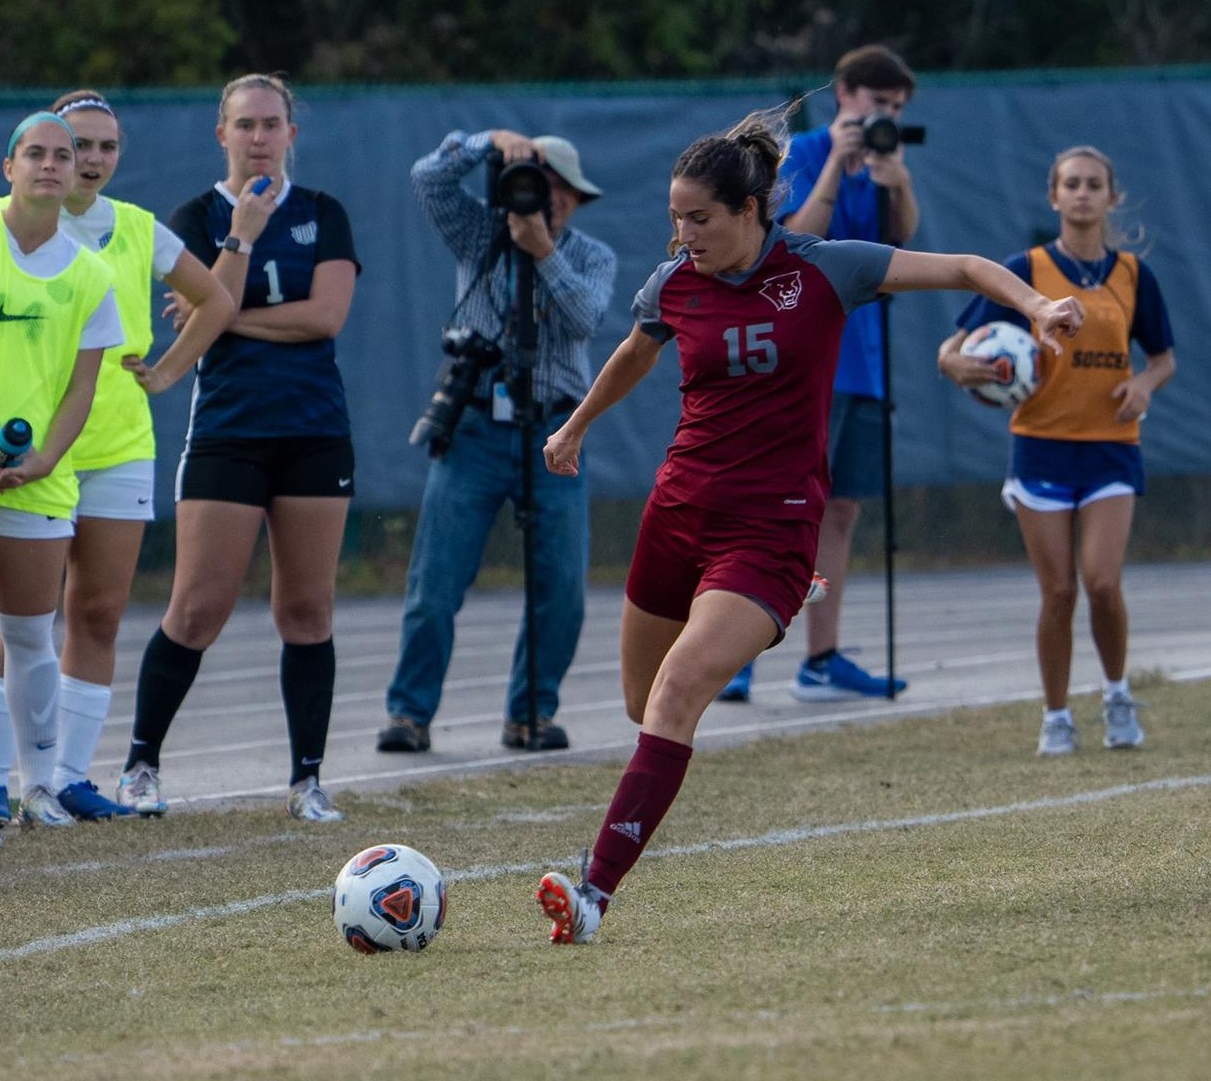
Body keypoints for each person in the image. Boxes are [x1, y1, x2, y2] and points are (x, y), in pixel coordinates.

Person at [531, 102, 1084, 944]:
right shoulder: (673, 281)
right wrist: (576, 426)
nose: (683, 234)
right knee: (649, 705)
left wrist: (1039, 308)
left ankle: (593, 893)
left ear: (750, 211)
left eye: (701, 218)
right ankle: (629, 829)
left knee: (677, 693)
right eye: (675, 216)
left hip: (770, 531)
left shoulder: (827, 270)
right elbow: (637, 351)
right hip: (676, 512)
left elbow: (970, 267)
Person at [0, 91, 233, 823]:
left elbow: (215, 301)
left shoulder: (139, 229)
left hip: (116, 447)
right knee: (23, 619)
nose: (89, 159)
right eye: (74, 144)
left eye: (105, 147)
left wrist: (168, 371)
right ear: (38, 151)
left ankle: (67, 776)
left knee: (100, 613)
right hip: (25, 455)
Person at [117, 74, 359, 823]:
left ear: (292, 132)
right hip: (228, 430)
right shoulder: (196, 216)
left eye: (272, 124)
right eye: (245, 125)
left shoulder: (324, 212)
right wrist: (242, 239)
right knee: (196, 607)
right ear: (221, 133)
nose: (259, 137)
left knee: (308, 609)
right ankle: (140, 765)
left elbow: (324, 317)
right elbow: (204, 312)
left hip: (314, 429)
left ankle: (307, 781)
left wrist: (226, 315)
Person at [376, 128, 616, 755]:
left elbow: (585, 319)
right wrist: (486, 144)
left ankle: (530, 716)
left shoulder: (592, 256)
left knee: (561, 588)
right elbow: (427, 177)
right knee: (436, 583)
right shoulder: (481, 234)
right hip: (476, 426)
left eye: (563, 189)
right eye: (539, 184)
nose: (550, 198)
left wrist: (544, 253)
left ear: (579, 200)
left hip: (557, 429)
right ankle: (409, 714)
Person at [937, 146, 1176, 756]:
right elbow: (949, 353)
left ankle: (1118, 696)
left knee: (1101, 582)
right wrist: (970, 370)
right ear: (1054, 196)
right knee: (1059, 592)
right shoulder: (1027, 269)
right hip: (1041, 449)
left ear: (1111, 197)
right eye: (1071, 184)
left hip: (1111, 451)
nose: (1083, 194)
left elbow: (1164, 358)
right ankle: (1056, 715)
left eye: (1095, 184)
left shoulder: (1132, 276)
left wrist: (1143, 385)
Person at [719, 44, 922, 704]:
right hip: (806, 360)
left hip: (863, 362)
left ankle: (822, 657)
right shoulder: (801, 154)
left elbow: (902, 246)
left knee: (840, 510)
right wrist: (839, 157)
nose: (882, 114)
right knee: (778, 502)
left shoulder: (887, 166)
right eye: (874, 101)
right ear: (844, 93)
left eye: (894, 106)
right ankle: (735, 651)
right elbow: (796, 240)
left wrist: (898, 180)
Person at [0, 112, 121, 831]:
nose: (51, 165)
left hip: (37, 481)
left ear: (77, 173)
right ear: (7, 165)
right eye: (35, 153)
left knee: (28, 635)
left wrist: (44, 457)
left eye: (63, 155)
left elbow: (82, 387)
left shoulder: (89, 270)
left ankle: (39, 785)